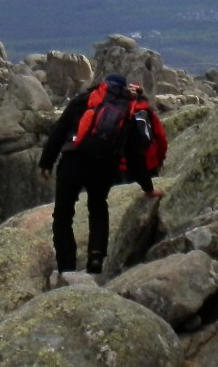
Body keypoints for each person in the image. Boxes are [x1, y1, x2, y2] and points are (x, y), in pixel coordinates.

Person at [38, 72, 166, 277]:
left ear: (104, 85)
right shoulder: (127, 111)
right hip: (104, 167)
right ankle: (96, 257)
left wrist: (46, 162)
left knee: (63, 214)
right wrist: (148, 188)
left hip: (73, 160)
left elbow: (59, 129)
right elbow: (135, 156)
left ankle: (66, 266)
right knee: (98, 208)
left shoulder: (85, 100)